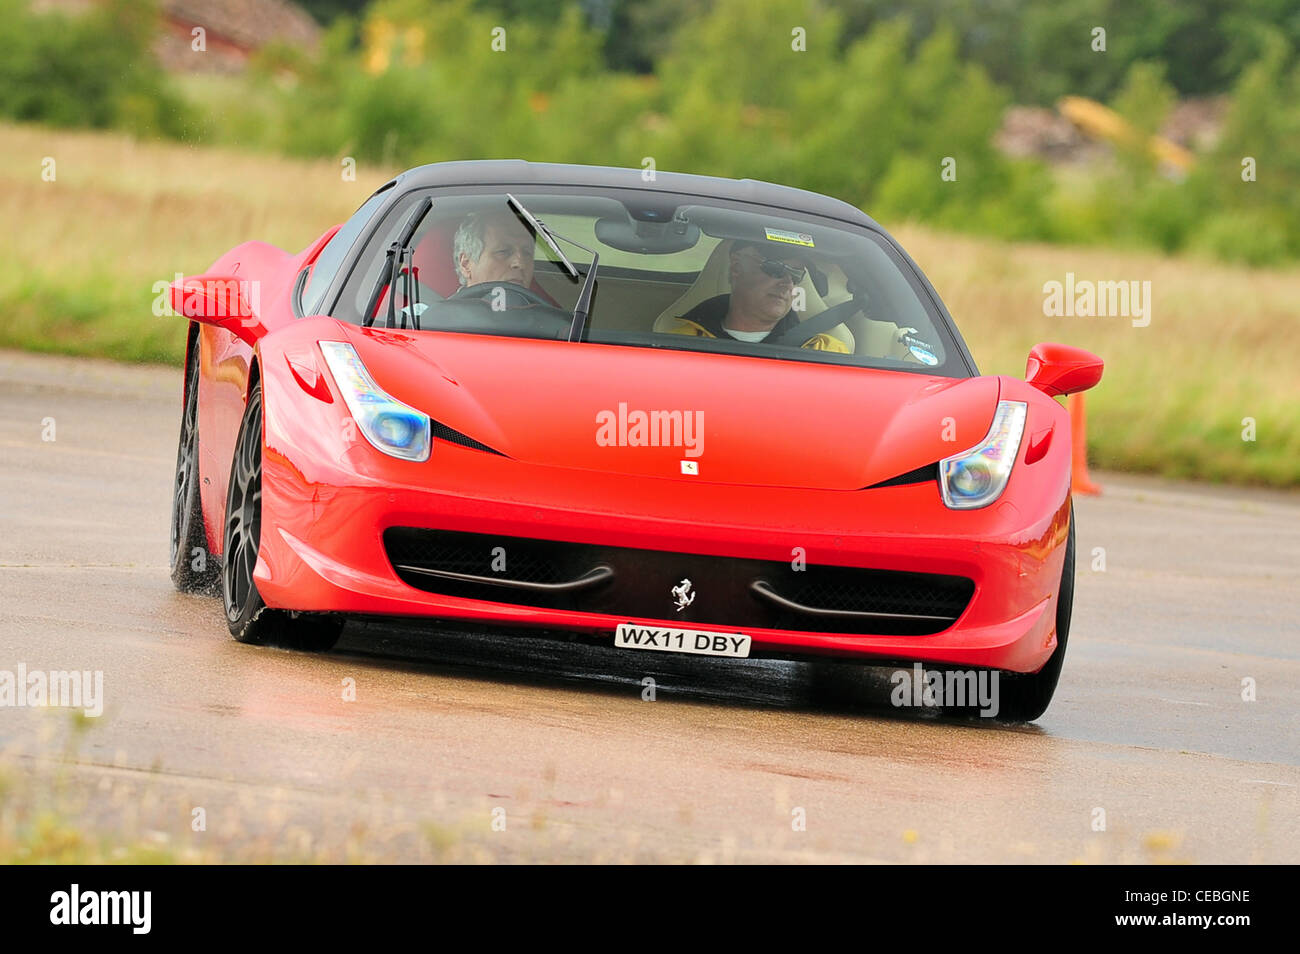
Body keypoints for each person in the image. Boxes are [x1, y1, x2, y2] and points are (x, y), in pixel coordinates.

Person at [664, 241, 849, 352]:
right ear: (736, 267)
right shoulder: (679, 344)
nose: (787, 283)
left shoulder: (826, 350)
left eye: (795, 275)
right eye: (775, 269)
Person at [452, 210, 536, 289]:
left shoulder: (544, 304)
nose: (520, 263)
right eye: (503, 251)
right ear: (466, 264)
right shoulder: (450, 305)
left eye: (527, 253)